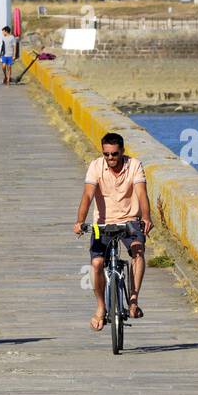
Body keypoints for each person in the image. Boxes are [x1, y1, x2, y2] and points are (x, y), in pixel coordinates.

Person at [73, 131, 152, 330]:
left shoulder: (134, 165)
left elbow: (142, 194)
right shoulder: (96, 166)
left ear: (122, 151)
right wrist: (79, 221)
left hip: (130, 221)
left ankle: (133, 300)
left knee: (138, 251)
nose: (110, 158)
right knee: (97, 263)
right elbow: (87, 195)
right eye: (106, 154)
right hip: (103, 224)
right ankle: (101, 307)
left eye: (114, 154)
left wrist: (146, 217)